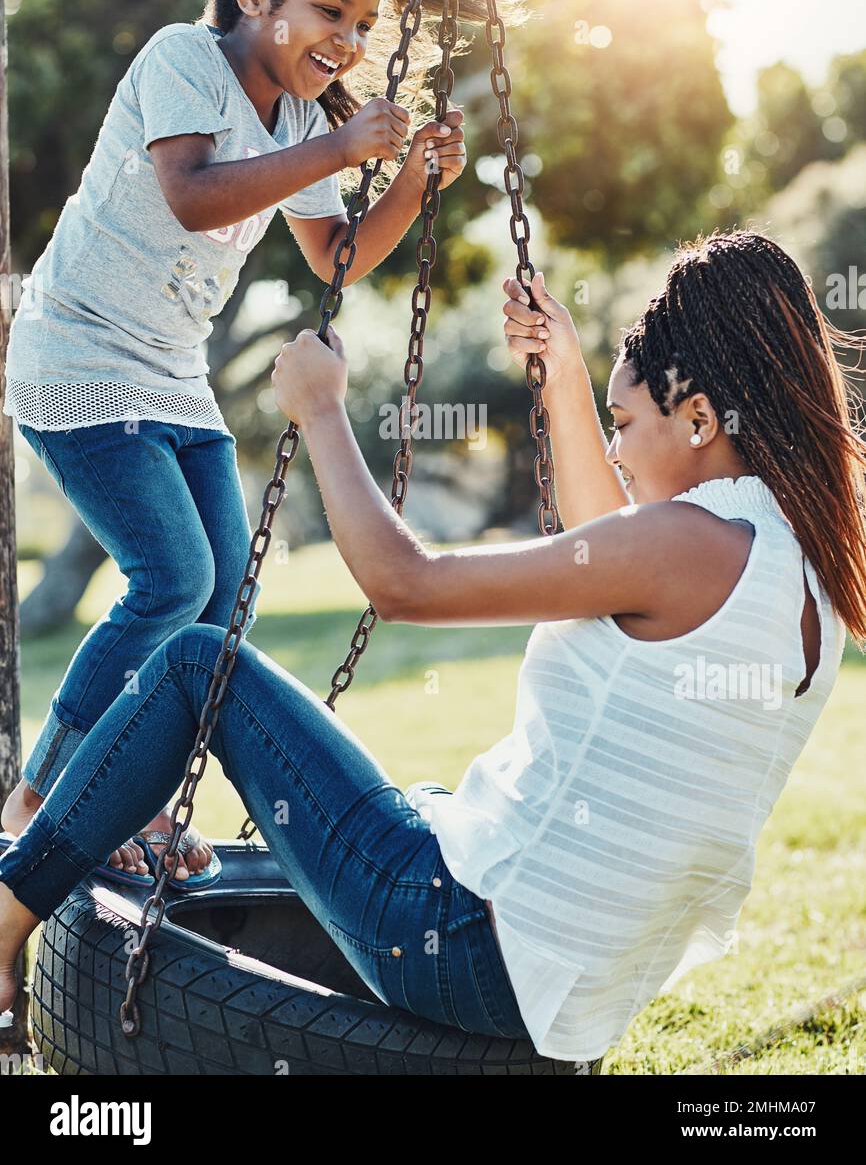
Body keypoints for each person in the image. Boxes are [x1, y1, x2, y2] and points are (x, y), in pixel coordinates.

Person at [2, 230, 864, 1064]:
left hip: (463, 945)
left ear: (702, 418)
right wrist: (565, 377)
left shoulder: (685, 545)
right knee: (424, 798)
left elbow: (403, 581)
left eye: (624, 420)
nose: (614, 449)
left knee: (199, 660)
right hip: (564, 994)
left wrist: (322, 410)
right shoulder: (798, 565)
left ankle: (6, 913)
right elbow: (619, 549)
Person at [1, 0, 491, 883]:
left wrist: (410, 184)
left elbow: (335, 254)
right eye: (329, 12)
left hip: (173, 376)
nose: (348, 41)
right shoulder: (184, 58)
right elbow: (189, 191)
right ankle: (41, 792)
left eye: (362, 24)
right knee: (173, 576)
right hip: (78, 356)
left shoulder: (303, 120)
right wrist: (341, 153)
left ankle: (130, 803)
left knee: (226, 593)